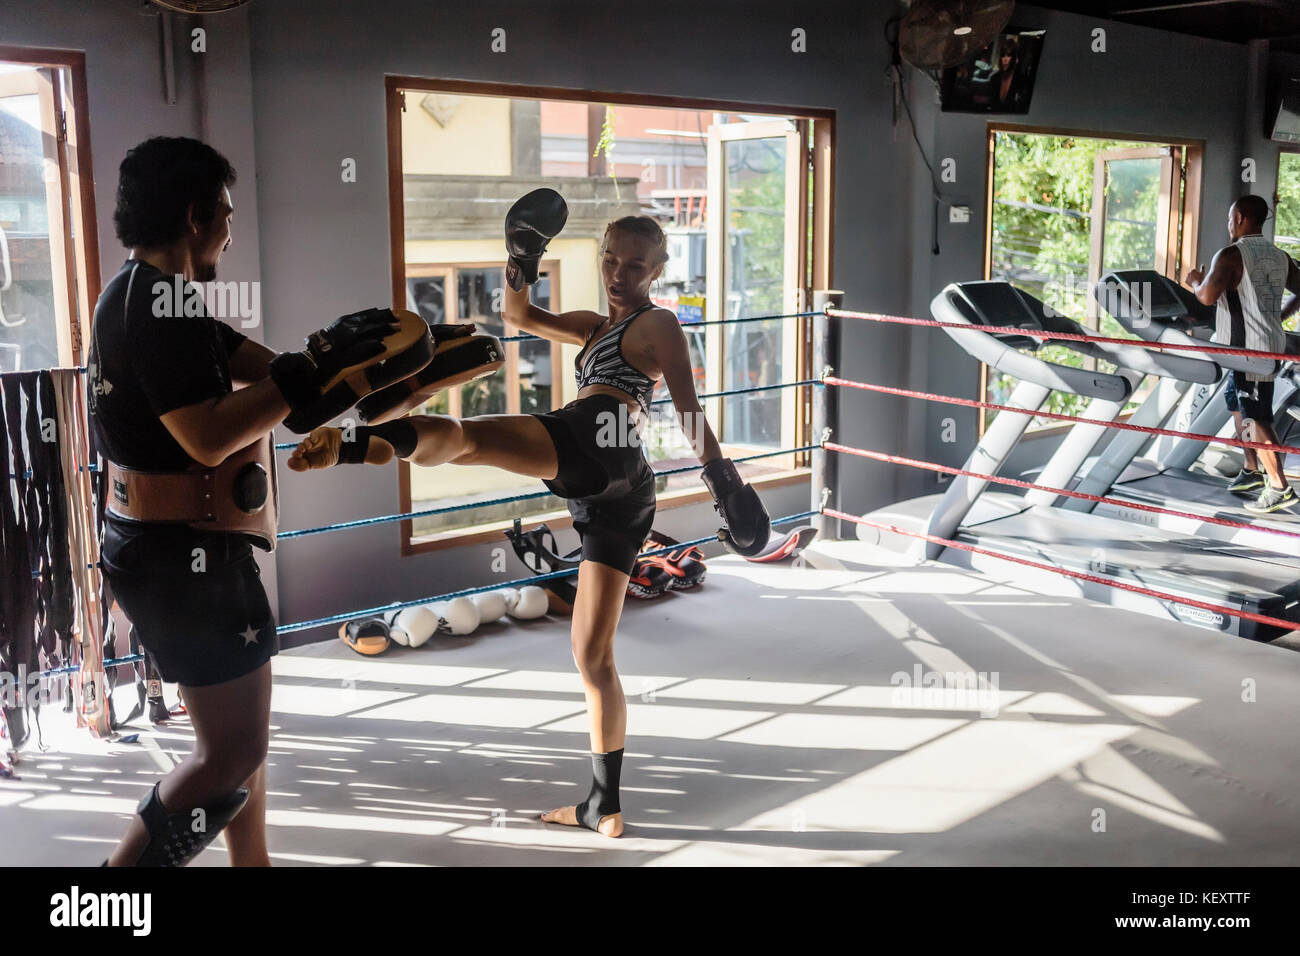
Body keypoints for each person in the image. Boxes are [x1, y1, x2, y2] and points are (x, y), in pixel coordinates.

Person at [288, 190, 770, 837]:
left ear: (656, 271)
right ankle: (605, 804)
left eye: (634, 266)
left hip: (598, 435)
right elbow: (518, 311)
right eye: (610, 260)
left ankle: (354, 442)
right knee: (591, 656)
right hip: (621, 495)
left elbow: (686, 410)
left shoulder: (657, 325)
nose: (618, 275)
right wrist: (522, 255)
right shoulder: (592, 327)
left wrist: (725, 484)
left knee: (467, 438)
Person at [90, 136, 412, 866]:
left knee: (244, 743)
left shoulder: (157, 296)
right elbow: (206, 437)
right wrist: (308, 380)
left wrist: (367, 380)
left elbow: (280, 386)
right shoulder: (155, 307)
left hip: (191, 548)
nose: (231, 233)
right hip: (182, 557)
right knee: (230, 751)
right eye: (227, 216)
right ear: (196, 215)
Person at [1185, 195, 1300, 514]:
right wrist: (1279, 317)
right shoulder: (1280, 256)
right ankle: (1251, 469)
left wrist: (1195, 281)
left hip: (1248, 352)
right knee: (1237, 402)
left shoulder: (1230, 255)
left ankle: (1279, 487)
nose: (1227, 224)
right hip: (1265, 346)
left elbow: (1207, 297)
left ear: (1239, 218)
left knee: (1256, 415)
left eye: (1229, 218)